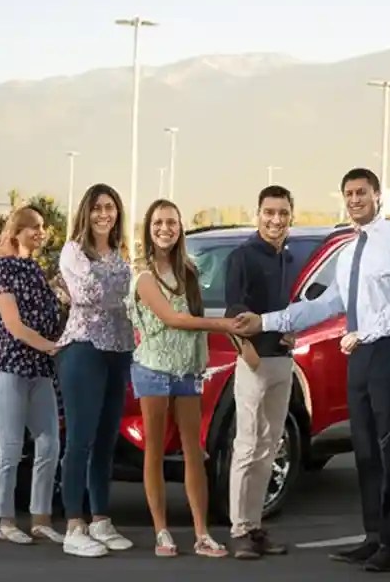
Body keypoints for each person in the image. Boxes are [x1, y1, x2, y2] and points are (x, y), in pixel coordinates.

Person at [236, 168, 390, 573]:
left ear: (378, 195)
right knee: (363, 450)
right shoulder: (349, 251)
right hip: (359, 355)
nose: (355, 199)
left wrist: (366, 332)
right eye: (349, 193)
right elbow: (327, 305)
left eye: (362, 192)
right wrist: (266, 322)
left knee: (388, 449)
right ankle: (372, 537)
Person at [126, 199, 240, 558]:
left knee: (195, 450)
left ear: (180, 229)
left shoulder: (189, 272)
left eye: (172, 222)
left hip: (188, 371)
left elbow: (193, 324)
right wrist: (222, 324)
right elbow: (172, 320)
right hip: (153, 371)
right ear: (149, 229)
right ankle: (162, 531)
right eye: (158, 222)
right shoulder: (143, 277)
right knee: (155, 451)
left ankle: (202, 533)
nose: (165, 228)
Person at [55, 183, 135, 558]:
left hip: (119, 350)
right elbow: (86, 293)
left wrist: (119, 290)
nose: (105, 214)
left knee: (107, 441)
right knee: (80, 440)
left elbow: (127, 297)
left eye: (111, 207)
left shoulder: (119, 254)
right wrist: (120, 290)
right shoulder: (73, 252)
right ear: (86, 213)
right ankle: (74, 524)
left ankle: (100, 518)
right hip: (83, 349)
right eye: (98, 208)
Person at [223, 185, 300, 559]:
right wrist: (247, 352)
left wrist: (290, 333)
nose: (276, 219)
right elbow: (232, 311)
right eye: (269, 212)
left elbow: (288, 309)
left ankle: (255, 526)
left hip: (283, 362)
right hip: (254, 364)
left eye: (283, 213)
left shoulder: (289, 257)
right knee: (248, 444)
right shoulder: (242, 256)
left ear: (291, 216)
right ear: (259, 214)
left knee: (270, 446)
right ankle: (239, 530)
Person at [0, 205, 65, 546]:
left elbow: (52, 312)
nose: (40, 232)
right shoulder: (2, 270)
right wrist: (50, 347)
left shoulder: (35, 270)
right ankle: (5, 521)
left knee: (50, 443)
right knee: (11, 446)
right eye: (34, 227)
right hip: (11, 368)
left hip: (40, 371)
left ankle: (40, 518)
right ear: (17, 232)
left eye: (42, 227)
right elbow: (14, 326)